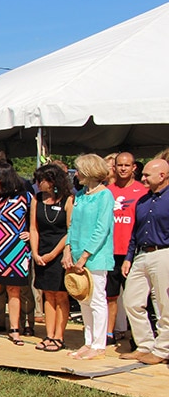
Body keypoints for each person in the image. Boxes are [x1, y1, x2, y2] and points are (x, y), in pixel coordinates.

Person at [62, 154, 115, 360]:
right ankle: (88, 341)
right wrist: (68, 249)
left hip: (95, 256)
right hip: (76, 254)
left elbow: (102, 229)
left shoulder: (105, 195)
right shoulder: (82, 195)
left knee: (97, 299)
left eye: (80, 170)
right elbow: (73, 225)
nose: (77, 174)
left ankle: (99, 345)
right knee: (83, 298)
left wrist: (85, 255)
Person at [120, 159, 169, 365]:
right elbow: (135, 232)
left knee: (164, 305)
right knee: (131, 301)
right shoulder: (143, 201)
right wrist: (129, 257)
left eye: (148, 175)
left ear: (163, 175)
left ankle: (162, 349)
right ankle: (145, 345)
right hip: (141, 254)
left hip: (164, 253)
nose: (143, 178)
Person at [0, 158, 33, 347]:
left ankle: (15, 329)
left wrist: (30, 233)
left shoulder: (26, 197)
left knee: (14, 290)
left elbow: (34, 221)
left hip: (17, 249)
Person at [29, 164, 74, 352]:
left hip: (60, 251)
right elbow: (33, 228)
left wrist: (53, 254)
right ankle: (49, 334)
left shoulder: (68, 199)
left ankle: (59, 336)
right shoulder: (37, 199)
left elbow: (70, 230)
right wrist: (35, 252)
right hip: (41, 250)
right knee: (47, 294)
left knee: (60, 294)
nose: (38, 184)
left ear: (53, 181)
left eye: (42, 181)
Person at [106, 151, 147, 345]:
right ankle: (109, 334)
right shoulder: (108, 191)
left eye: (126, 165)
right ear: (114, 167)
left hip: (133, 252)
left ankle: (138, 339)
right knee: (110, 295)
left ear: (134, 168)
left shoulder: (143, 191)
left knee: (135, 299)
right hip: (111, 251)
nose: (123, 169)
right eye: (119, 165)